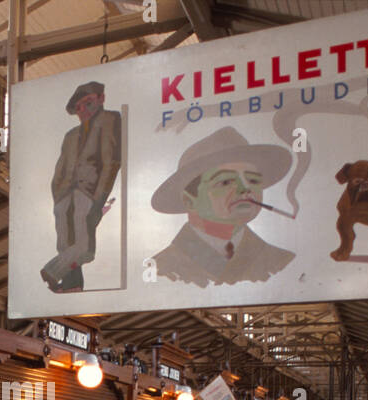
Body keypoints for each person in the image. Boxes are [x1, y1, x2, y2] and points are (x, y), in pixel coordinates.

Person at [151, 127, 294, 287]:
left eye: (253, 181)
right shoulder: (159, 271)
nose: (245, 189)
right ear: (189, 201)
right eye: (226, 182)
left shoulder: (284, 264)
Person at [41, 81, 122, 293]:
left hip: (89, 192)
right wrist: (57, 197)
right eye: (79, 107)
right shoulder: (70, 136)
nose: (84, 110)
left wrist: (100, 196)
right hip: (64, 195)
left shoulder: (110, 120)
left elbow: (111, 161)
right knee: (65, 245)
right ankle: (73, 286)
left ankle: (51, 270)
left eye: (89, 102)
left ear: (101, 98)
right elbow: (60, 169)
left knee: (85, 249)